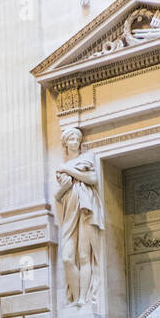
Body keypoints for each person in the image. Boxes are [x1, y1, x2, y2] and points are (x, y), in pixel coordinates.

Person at [55, 127, 104, 308]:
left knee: (84, 256)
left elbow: (92, 179)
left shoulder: (86, 159)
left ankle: (83, 298)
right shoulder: (61, 170)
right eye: (71, 139)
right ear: (65, 143)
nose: (75, 142)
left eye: (77, 139)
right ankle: (75, 298)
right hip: (69, 212)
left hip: (86, 210)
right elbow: (57, 196)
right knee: (68, 258)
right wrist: (64, 187)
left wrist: (67, 169)